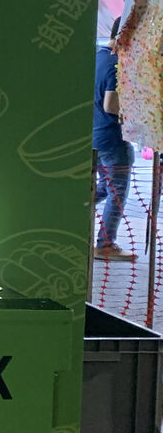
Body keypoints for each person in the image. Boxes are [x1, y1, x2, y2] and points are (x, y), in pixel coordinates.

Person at [93, 16, 135, 262]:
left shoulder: (98, 58)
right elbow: (111, 104)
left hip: (96, 136)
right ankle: (105, 244)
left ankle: (78, 219)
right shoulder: (116, 62)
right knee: (117, 191)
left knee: (101, 188)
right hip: (112, 136)